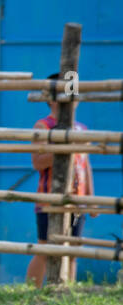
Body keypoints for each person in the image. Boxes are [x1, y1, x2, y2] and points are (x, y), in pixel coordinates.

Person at [27, 82, 94, 286]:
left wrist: (90, 198)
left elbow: (86, 165)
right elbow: (38, 162)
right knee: (45, 249)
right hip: (49, 198)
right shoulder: (43, 126)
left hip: (77, 198)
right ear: (52, 100)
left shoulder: (82, 129)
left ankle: (67, 291)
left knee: (72, 252)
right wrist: (65, 148)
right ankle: (32, 290)